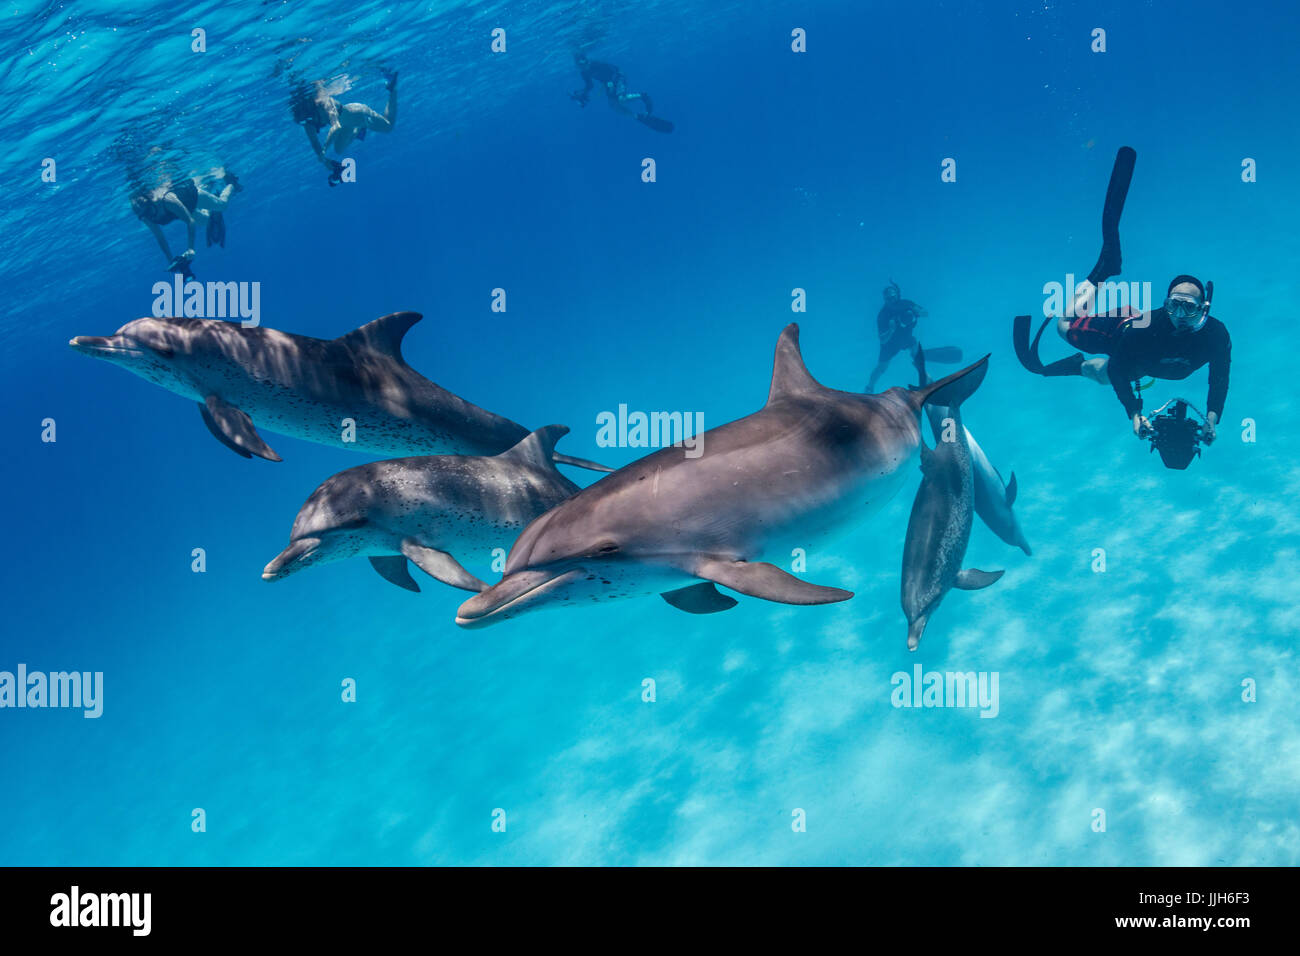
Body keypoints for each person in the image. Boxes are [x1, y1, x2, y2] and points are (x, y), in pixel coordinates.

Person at [1015, 148, 1231, 442]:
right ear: (1165, 304)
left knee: (1103, 376)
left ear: (1203, 309)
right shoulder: (1148, 327)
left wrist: (1211, 419)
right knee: (1062, 326)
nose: (1178, 316)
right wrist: (1134, 412)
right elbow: (1118, 369)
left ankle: (1079, 366)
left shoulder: (1216, 335)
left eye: (1188, 308)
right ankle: (1103, 271)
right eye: (1173, 306)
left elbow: (1219, 379)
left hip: (1145, 362)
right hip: (1121, 331)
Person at [292, 70, 398, 185]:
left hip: (358, 114)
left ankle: (392, 87)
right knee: (338, 150)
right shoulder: (305, 119)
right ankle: (358, 130)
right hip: (347, 125)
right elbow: (313, 141)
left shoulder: (323, 101)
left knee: (388, 127)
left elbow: (336, 127)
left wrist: (324, 151)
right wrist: (326, 162)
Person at [130, 168, 241, 275]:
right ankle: (207, 186)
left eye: (146, 209)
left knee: (222, 205)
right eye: (142, 212)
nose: (146, 215)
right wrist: (171, 260)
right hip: (184, 210)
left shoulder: (165, 199)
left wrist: (190, 248)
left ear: (148, 199)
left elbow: (190, 222)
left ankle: (230, 182)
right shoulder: (144, 215)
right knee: (204, 221)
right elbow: (160, 238)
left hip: (193, 197)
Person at [866, 281, 962, 392]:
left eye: (892, 297)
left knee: (917, 358)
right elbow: (882, 340)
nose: (891, 301)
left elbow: (926, 313)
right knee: (881, 368)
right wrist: (891, 330)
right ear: (884, 300)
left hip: (906, 338)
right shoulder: (883, 315)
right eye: (887, 299)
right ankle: (869, 387)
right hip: (890, 344)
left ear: (897, 295)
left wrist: (918, 311)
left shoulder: (906, 304)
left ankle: (928, 381)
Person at [570, 53, 673, 133]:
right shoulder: (584, 73)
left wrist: (611, 82)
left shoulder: (596, 63)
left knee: (621, 99)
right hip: (608, 83)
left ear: (585, 60)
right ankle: (636, 116)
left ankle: (643, 96)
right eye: (579, 66)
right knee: (613, 106)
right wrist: (582, 93)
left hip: (618, 77)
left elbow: (612, 71)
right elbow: (590, 86)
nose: (582, 67)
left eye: (583, 64)